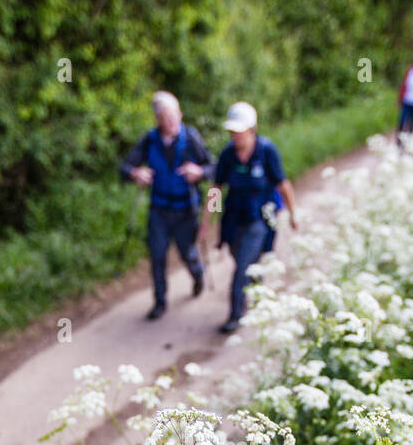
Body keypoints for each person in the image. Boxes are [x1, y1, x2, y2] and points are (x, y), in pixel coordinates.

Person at [119, 91, 215, 320]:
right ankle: (160, 301)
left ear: (180, 115)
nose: (172, 121)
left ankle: (197, 274)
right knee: (157, 256)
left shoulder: (191, 139)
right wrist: (135, 173)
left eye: (175, 115)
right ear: (157, 120)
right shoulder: (149, 140)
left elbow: (216, 170)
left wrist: (200, 172)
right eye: (165, 117)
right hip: (159, 211)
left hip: (185, 211)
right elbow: (124, 169)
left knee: (187, 253)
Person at [210, 101, 297, 334]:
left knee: (242, 270)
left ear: (251, 129)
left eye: (239, 132)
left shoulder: (267, 151)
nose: (235, 136)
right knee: (244, 262)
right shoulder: (227, 155)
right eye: (232, 132)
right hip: (234, 220)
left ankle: (235, 315)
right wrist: (209, 217)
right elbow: (216, 187)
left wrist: (292, 213)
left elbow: (283, 184)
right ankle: (258, 291)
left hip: (260, 219)